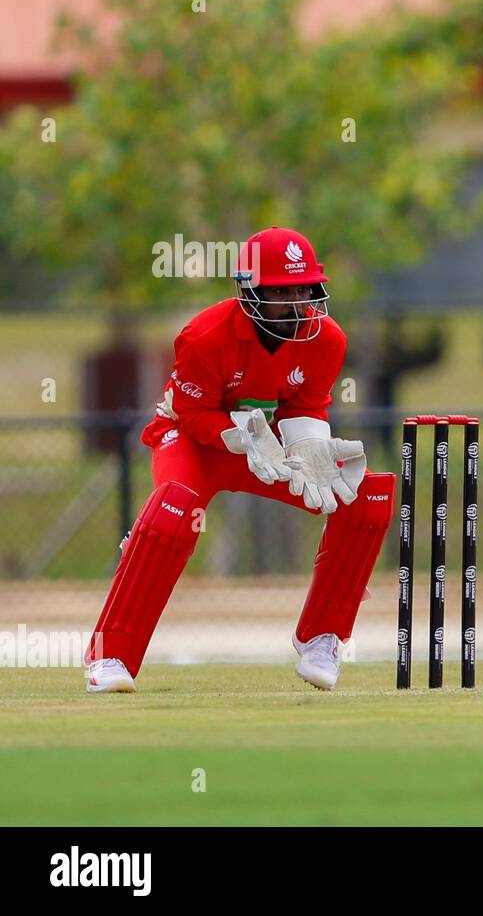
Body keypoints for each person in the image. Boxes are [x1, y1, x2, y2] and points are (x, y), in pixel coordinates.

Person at [84, 226, 395, 693]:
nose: (296, 305)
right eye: (282, 292)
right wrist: (237, 437)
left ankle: (322, 636)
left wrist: (309, 445)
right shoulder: (204, 336)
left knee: (363, 496)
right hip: (192, 437)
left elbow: (306, 406)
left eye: (304, 290)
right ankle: (110, 658)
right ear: (249, 293)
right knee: (172, 514)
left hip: (266, 448)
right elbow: (190, 411)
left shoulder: (326, 339)